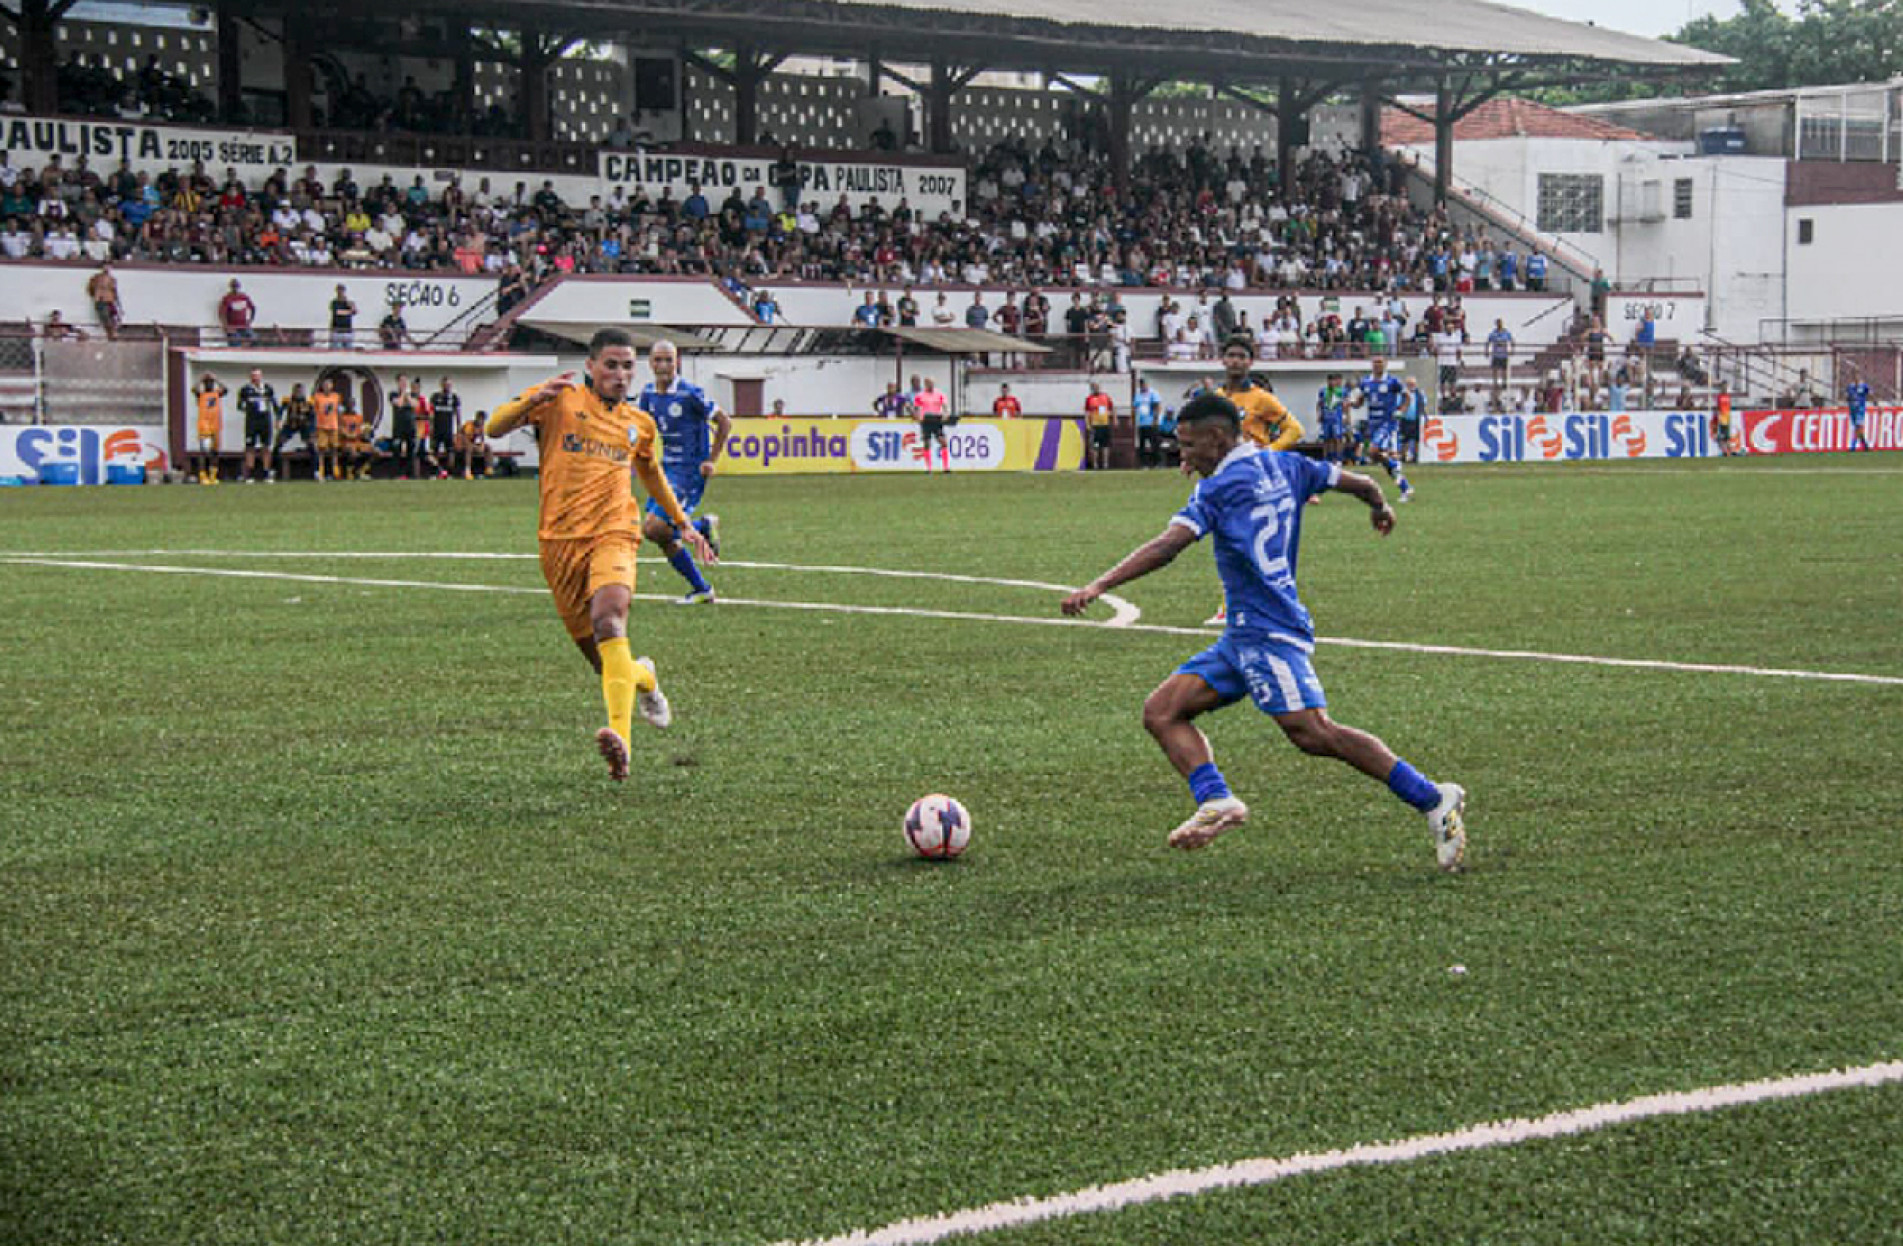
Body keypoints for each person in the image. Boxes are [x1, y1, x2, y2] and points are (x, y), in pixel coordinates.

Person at [1059, 391, 1467, 869]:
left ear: (1217, 438)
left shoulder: (1216, 490)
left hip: (1271, 632)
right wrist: (1379, 505)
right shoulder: (1287, 466)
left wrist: (1099, 584)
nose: (1182, 456)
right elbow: (1355, 482)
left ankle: (1432, 799)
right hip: (1242, 636)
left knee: (1314, 733)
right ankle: (1217, 800)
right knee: (1163, 711)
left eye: (1189, 446)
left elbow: (1168, 546)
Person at [483, 328, 714, 782]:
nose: (621, 374)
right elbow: (494, 427)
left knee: (610, 619)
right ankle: (645, 677)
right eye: (611, 364)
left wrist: (683, 523)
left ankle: (620, 738)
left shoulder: (638, 423)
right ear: (591, 366)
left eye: (628, 366)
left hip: (614, 532)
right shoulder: (560, 399)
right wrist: (530, 401)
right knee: (603, 660)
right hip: (559, 542)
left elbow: (652, 478)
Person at [1205, 334, 1306, 624]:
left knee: (1249, 541)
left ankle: (1242, 606)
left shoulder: (1261, 399)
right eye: (1231, 355)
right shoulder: (1217, 400)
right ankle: (1235, 606)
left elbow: (1294, 429)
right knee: (1228, 542)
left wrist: (1268, 453)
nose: (1235, 361)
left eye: (1241, 356)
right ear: (1222, 360)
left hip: (1252, 480)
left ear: (1250, 362)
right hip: (1223, 479)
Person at [639, 340, 731, 604]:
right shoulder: (648, 394)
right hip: (665, 469)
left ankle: (701, 526)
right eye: (658, 360)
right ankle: (702, 588)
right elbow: (640, 428)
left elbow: (724, 422)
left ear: (677, 362)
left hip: (689, 471)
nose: (663, 365)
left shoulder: (691, 394)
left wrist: (711, 460)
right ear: (650, 363)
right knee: (659, 535)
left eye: (669, 360)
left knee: (654, 528)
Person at [1349, 356, 1414, 502]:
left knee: (1373, 451)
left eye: (1380, 362)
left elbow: (1407, 397)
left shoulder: (1392, 382)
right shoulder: (1366, 382)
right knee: (1376, 456)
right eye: (1375, 362)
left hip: (1387, 423)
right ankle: (1403, 483)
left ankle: (1396, 470)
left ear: (1385, 364)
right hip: (1373, 424)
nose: (1378, 365)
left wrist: (1401, 411)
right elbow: (1360, 401)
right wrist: (1352, 404)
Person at [237, 368, 280, 483]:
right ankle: (250, 474)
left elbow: (275, 404)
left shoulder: (267, 388)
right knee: (250, 447)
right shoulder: (245, 389)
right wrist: (248, 408)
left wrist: (278, 419)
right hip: (251, 422)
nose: (255, 378)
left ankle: (266, 473)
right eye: (253, 376)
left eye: (257, 376)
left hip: (265, 420)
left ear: (261, 376)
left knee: (266, 446)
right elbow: (239, 405)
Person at [272, 382, 314, 477]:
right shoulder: (287, 400)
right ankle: (273, 470)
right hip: (290, 424)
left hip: (304, 425)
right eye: (297, 391)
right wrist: (278, 420)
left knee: (312, 446)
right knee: (278, 444)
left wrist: (312, 429)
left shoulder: (308, 401)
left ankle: (315, 471)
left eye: (301, 391)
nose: (299, 393)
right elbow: (280, 411)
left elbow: (312, 416)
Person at [192, 373, 227, 485]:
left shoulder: (217, 394)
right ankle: (203, 476)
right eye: (207, 383)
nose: (209, 384)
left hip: (215, 424)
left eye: (210, 382)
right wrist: (201, 379)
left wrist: (216, 378)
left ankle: (213, 475)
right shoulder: (201, 394)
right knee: (204, 452)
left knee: (215, 452)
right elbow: (193, 389)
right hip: (204, 425)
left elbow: (225, 389)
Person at [913, 377, 951, 472]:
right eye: (928, 383)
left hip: (936, 419)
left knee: (943, 441)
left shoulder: (939, 394)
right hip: (926, 420)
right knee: (927, 443)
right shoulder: (920, 395)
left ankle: (946, 467)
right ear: (925, 384)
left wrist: (945, 414)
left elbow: (945, 406)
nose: (930, 385)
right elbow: (917, 408)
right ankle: (928, 467)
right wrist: (918, 417)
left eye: (932, 383)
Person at [389, 374, 422, 478]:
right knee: (396, 450)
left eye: (405, 381)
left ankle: (410, 474)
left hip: (410, 427)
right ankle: (396, 474)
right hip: (398, 427)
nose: (403, 383)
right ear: (397, 382)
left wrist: (407, 395)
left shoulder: (412, 394)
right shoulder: (393, 394)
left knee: (411, 451)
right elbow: (398, 403)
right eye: (401, 381)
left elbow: (415, 405)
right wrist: (403, 394)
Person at [311, 377, 342, 481]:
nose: (327, 387)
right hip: (321, 426)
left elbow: (338, 411)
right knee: (321, 449)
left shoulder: (336, 396)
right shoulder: (317, 397)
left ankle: (335, 470)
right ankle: (320, 471)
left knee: (334, 449)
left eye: (329, 385)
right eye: (325, 385)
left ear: (332, 386)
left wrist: (340, 424)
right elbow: (314, 412)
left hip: (333, 426)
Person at [1316, 371, 1349, 465]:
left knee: (1338, 438)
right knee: (1326, 439)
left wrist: (1345, 416)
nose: (1331, 382)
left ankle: (1338, 458)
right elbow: (1319, 403)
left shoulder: (1342, 391)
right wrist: (1319, 414)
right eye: (1329, 380)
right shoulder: (1323, 391)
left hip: (1337, 418)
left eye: (1333, 380)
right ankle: (1326, 458)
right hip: (1326, 418)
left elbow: (1345, 404)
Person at [430, 378, 461, 477]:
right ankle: (436, 471)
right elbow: (431, 413)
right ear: (441, 385)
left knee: (450, 452)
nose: (447, 386)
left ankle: (449, 472)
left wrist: (458, 429)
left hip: (448, 430)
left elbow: (457, 414)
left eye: (449, 385)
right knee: (434, 452)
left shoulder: (454, 398)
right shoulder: (435, 397)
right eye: (445, 384)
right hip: (437, 429)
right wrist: (430, 427)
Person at [1083, 381, 1115, 471]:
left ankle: (1105, 464)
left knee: (1105, 445)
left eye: (1097, 387)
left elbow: (1112, 408)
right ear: (1091, 389)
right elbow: (1087, 413)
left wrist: (1114, 419)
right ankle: (1095, 465)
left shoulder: (1105, 397)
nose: (1096, 388)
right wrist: (1088, 424)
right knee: (1095, 446)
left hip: (1105, 425)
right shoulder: (1089, 399)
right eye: (1094, 387)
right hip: (1095, 426)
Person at [1133, 378, 1163, 468]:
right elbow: (1135, 407)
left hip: (1151, 422)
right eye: (1141, 385)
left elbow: (1157, 406)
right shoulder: (1138, 395)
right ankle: (1143, 464)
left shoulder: (1153, 393)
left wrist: (1155, 419)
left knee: (1154, 444)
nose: (1143, 386)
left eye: (1144, 384)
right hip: (1142, 423)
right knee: (1142, 444)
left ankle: (1156, 463)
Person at [220, 279, 258, 346]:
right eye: (233, 286)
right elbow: (222, 314)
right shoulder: (227, 298)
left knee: (254, 339)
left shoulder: (244, 297)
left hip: (244, 325)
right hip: (233, 327)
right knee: (235, 343)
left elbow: (253, 308)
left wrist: (250, 320)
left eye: (236, 286)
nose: (235, 288)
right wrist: (227, 326)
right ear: (231, 287)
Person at [87, 262, 121, 339]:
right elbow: (91, 289)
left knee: (113, 318)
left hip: (110, 300)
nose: (107, 268)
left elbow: (115, 291)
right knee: (105, 317)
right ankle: (110, 333)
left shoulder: (112, 279)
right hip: (100, 300)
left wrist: (118, 304)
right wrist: (97, 295)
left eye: (108, 266)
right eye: (105, 266)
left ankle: (112, 333)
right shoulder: (96, 278)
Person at [455, 409, 491, 479]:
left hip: (471, 444)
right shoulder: (469, 425)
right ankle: (467, 471)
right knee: (469, 448)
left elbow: (481, 438)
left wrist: (481, 445)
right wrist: (474, 446)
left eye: (484, 420)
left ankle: (488, 468)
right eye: (481, 419)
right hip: (461, 444)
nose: (482, 421)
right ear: (477, 418)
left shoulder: (481, 427)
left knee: (488, 447)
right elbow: (465, 438)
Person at [1845, 371, 1873, 452]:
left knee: (1858, 426)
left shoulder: (1864, 386)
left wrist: (1875, 403)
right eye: (1854, 376)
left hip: (1860, 409)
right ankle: (1865, 446)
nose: (1856, 378)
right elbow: (1847, 397)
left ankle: (1852, 447)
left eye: (1857, 376)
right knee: (1858, 428)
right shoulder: (1850, 387)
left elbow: (1870, 394)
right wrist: (1849, 399)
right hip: (1852, 409)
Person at [327, 284, 357, 350]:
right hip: (337, 330)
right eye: (338, 290)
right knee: (336, 350)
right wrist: (349, 312)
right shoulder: (334, 303)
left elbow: (355, 312)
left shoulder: (349, 302)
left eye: (342, 290)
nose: (340, 292)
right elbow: (337, 312)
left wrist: (350, 306)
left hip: (347, 330)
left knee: (349, 350)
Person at [1712, 383, 1736, 457]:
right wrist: (1718, 416)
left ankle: (1730, 451)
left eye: (1726, 387)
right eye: (1723, 387)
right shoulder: (1719, 396)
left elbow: (1729, 407)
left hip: (1727, 417)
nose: (1725, 389)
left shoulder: (1728, 396)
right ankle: (1725, 451)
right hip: (1722, 417)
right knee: (1723, 436)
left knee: (1727, 435)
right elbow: (1718, 407)